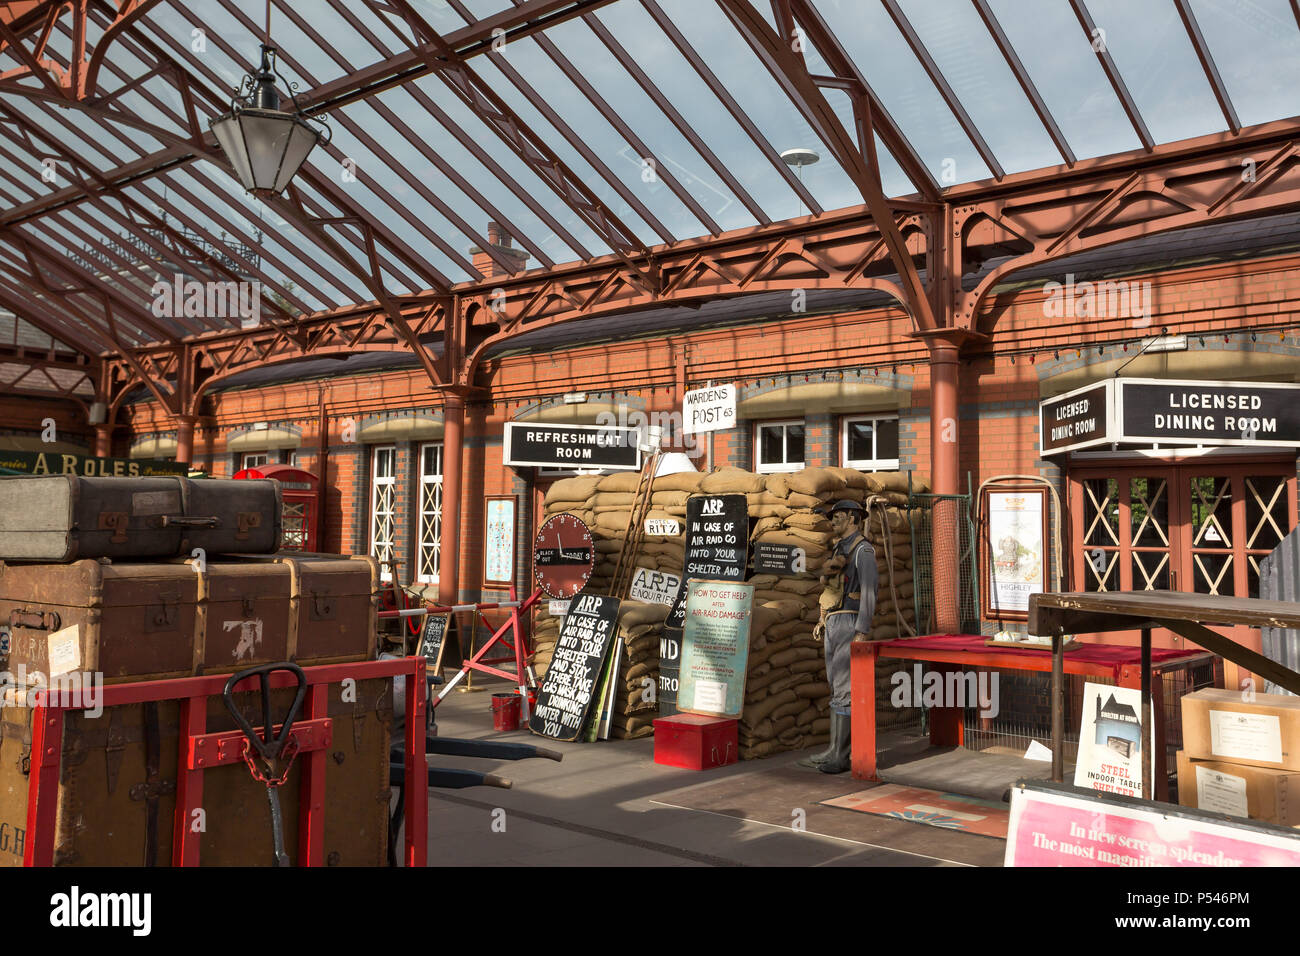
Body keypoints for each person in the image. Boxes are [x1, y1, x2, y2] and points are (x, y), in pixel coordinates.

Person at [798, 499, 877, 774]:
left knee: (845, 686)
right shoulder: (838, 548)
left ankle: (842, 756)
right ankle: (833, 749)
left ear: (853, 519)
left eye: (839, 516)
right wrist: (822, 619)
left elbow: (869, 592)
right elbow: (831, 588)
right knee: (835, 683)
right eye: (832, 517)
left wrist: (862, 630)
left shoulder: (863, 551)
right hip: (833, 620)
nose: (833, 521)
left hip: (849, 621)